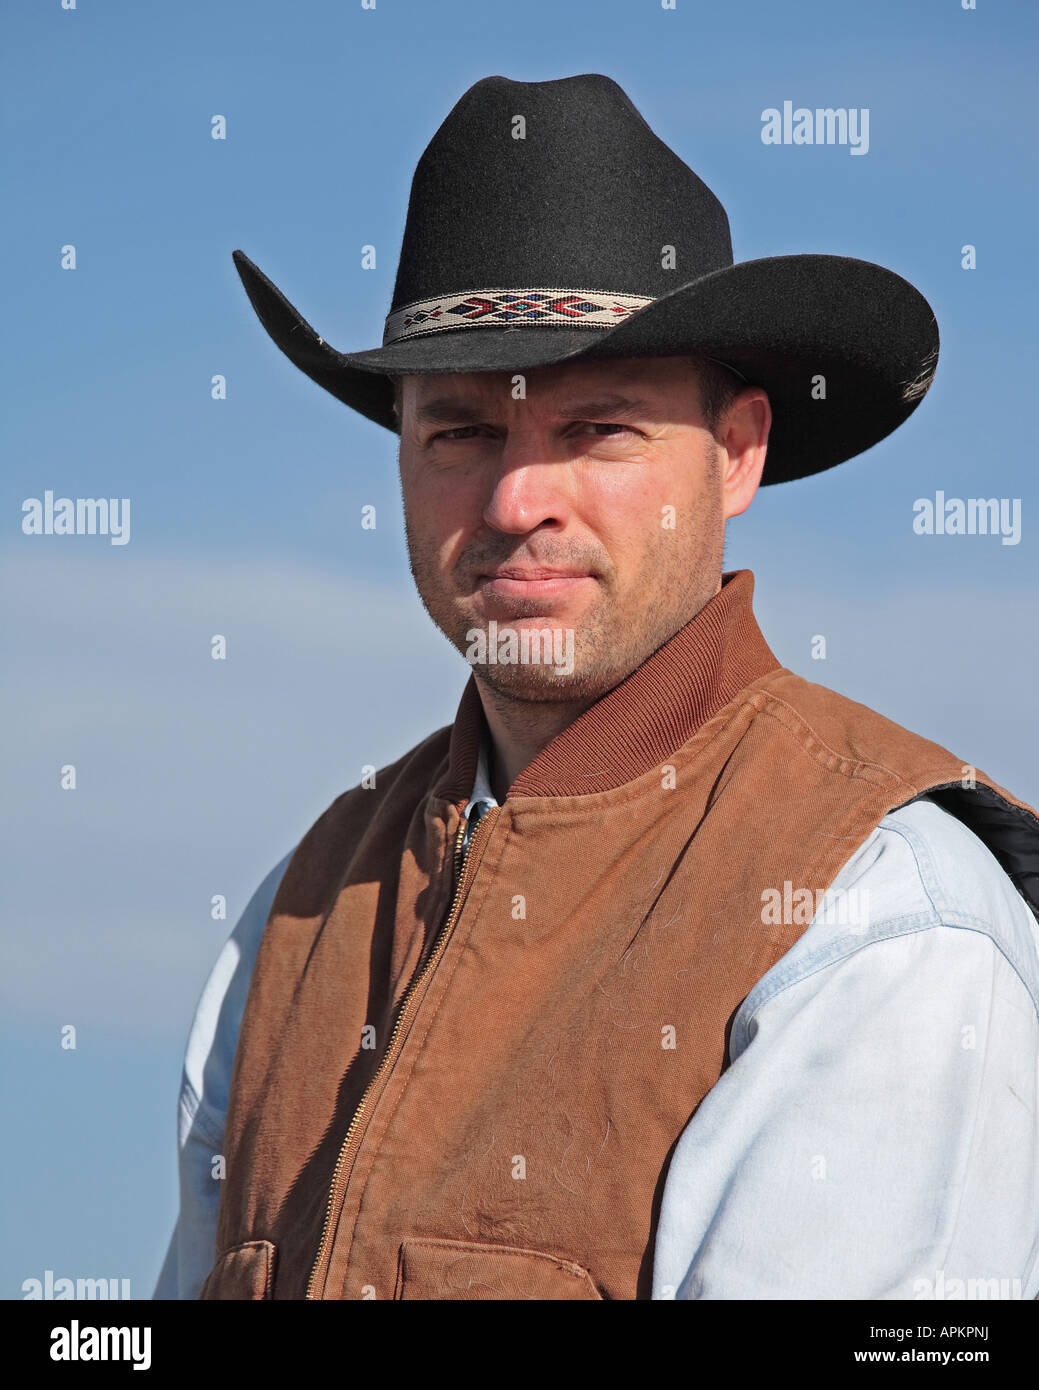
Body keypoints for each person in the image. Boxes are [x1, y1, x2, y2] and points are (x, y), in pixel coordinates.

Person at [155, 73, 1039, 1301]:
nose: (519, 501)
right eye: (459, 431)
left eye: (598, 430)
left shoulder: (875, 912)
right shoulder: (298, 912)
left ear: (736, 454)